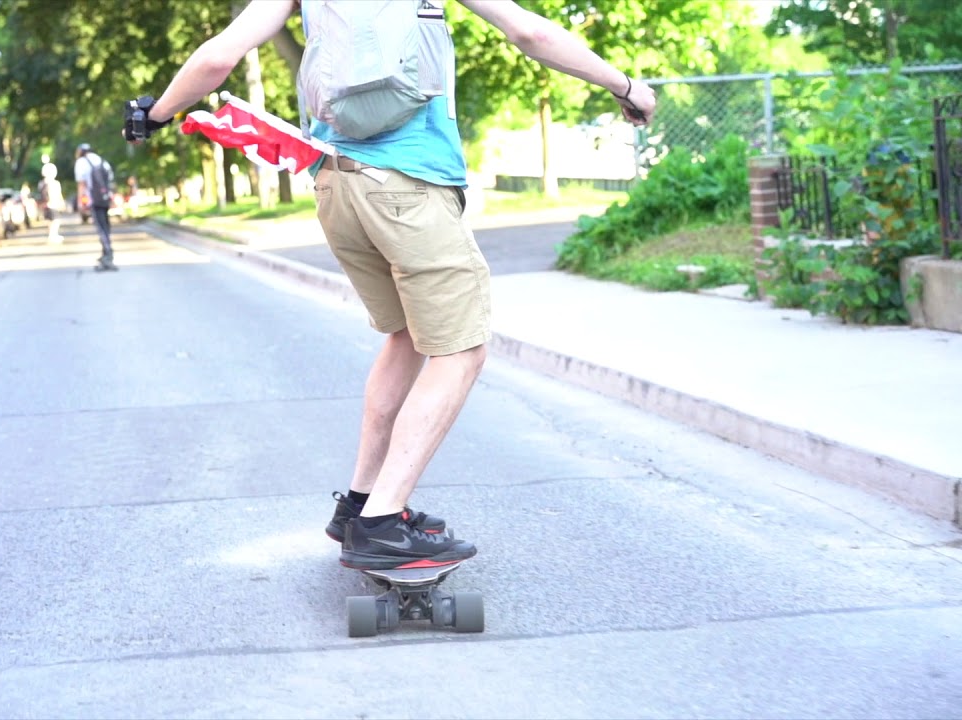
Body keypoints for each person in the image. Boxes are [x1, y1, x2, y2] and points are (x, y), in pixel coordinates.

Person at [129, 0, 656, 570]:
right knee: (461, 351)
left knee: (405, 336)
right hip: (409, 188)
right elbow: (528, 31)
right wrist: (624, 85)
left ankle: (360, 503)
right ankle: (382, 523)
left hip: (335, 186)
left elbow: (219, 58)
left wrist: (156, 112)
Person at [74, 143, 117, 269]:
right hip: (105, 198)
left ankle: (108, 254)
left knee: (100, 227)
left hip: (94, 199)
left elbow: (82, 184)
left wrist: (81, 202)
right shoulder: (102, 160)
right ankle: (106, 252)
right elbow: (110, 181)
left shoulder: (82, 162)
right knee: (106, 225)